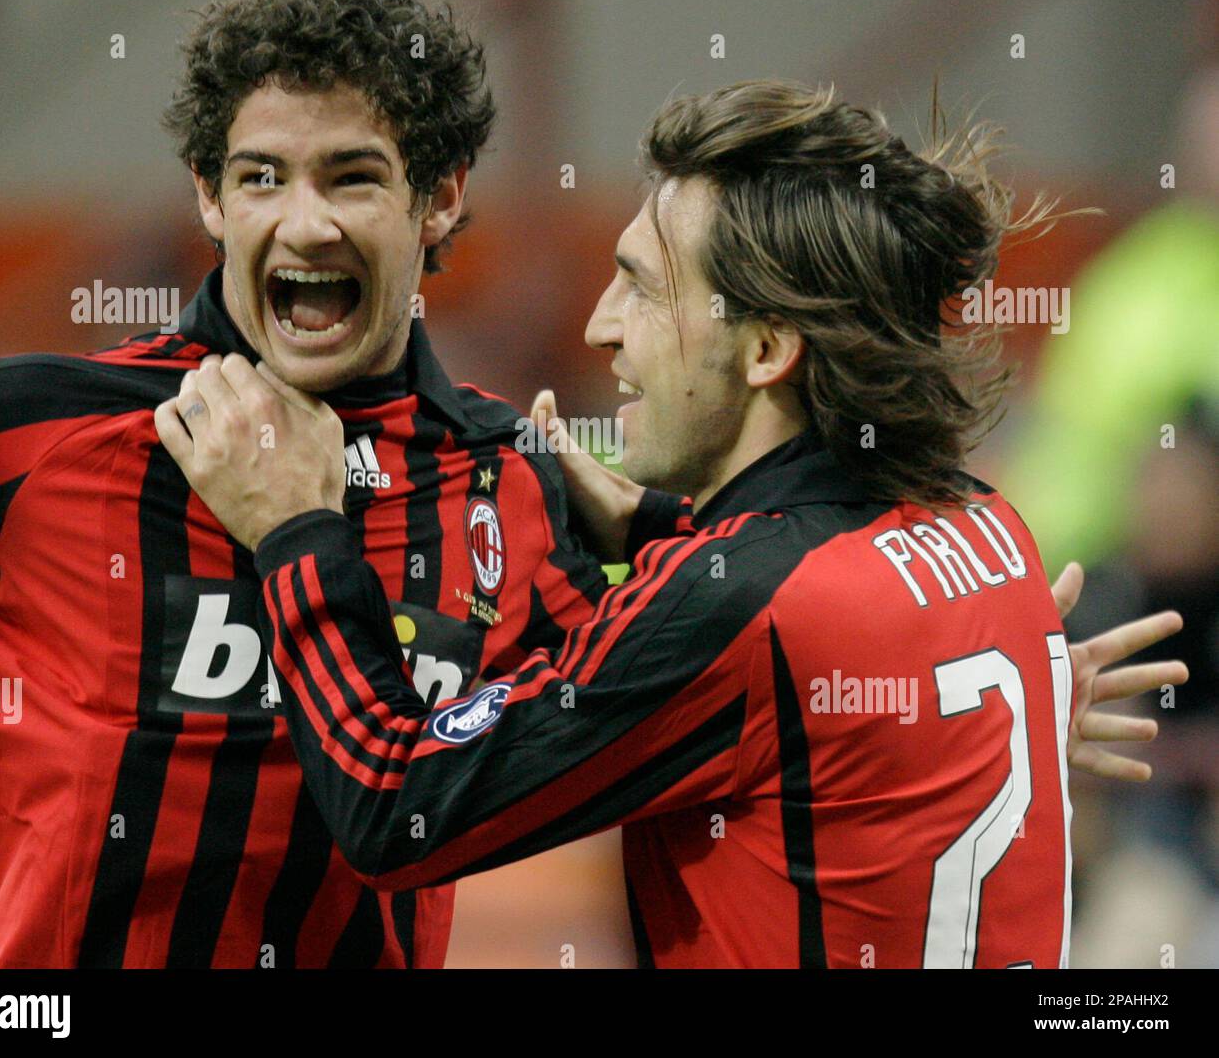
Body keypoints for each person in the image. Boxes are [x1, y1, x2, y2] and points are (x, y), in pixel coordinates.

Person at [160, 80, 1188, 967]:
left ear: (767, 348)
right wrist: (665, 540)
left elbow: (396, 808)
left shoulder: (746, 607)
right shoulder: (985, 528)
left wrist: (296, 531)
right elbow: (827, 637)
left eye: (642, 289)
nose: (600, 324)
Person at [0, 0, 604, 968]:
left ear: (442, 198)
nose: (304, 221)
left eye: (354, 176)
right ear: (208, 196)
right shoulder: (27, 430)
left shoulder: (516, 483)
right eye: (260, 177)